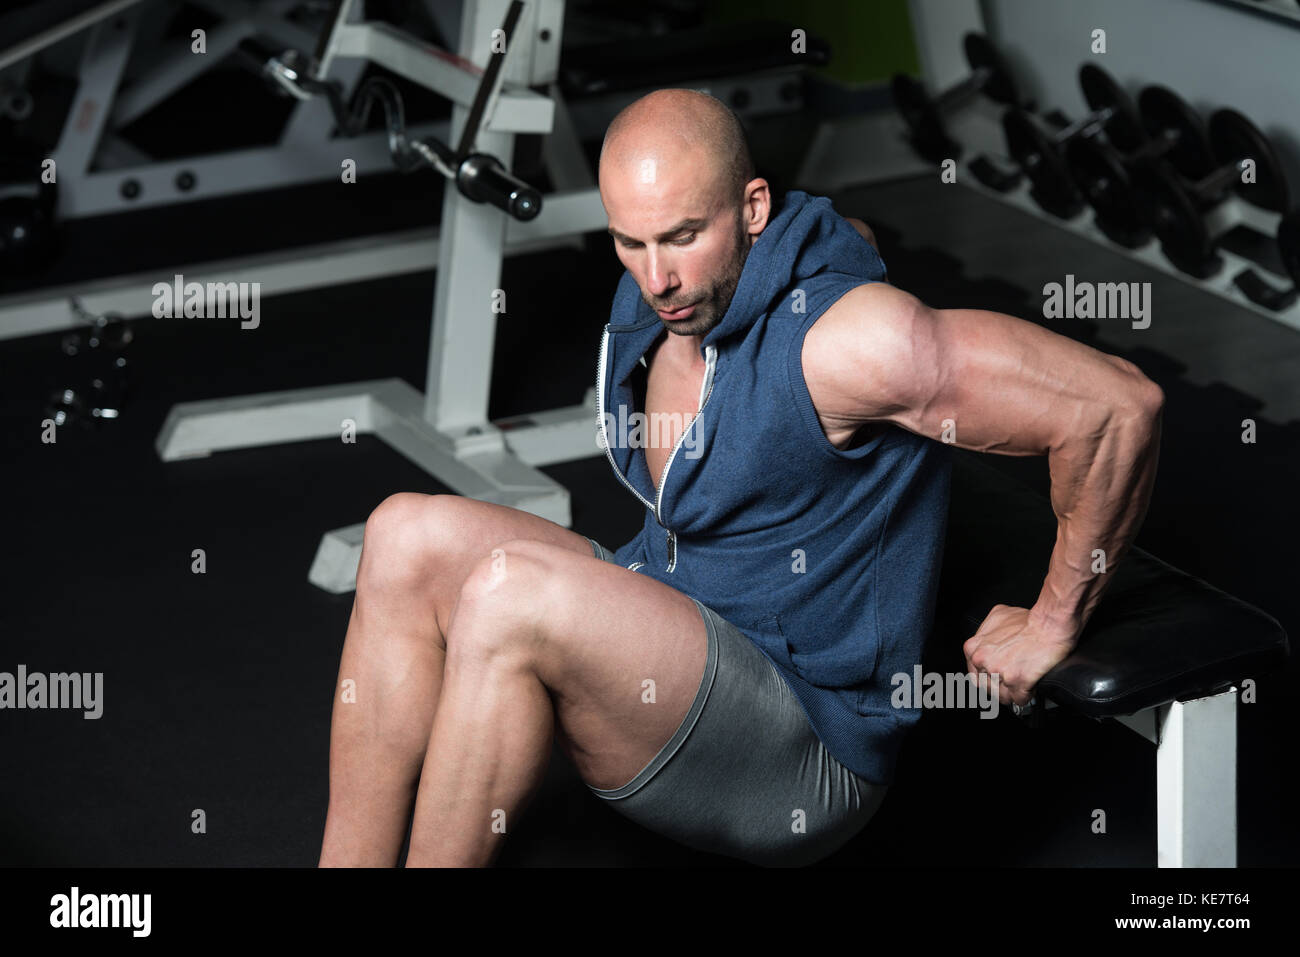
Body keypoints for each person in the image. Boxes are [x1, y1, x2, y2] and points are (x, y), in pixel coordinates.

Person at [318, 89, 1163, 868]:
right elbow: (849, 232)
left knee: (507, 593)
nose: (657, 278)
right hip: (678, 625)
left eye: (685, 235)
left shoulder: (853, 344)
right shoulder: (673, 285)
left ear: (753, 208)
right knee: (402, 531)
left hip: (803, 743)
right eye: (631, 240)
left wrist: (1056, 619)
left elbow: (1116, 406)